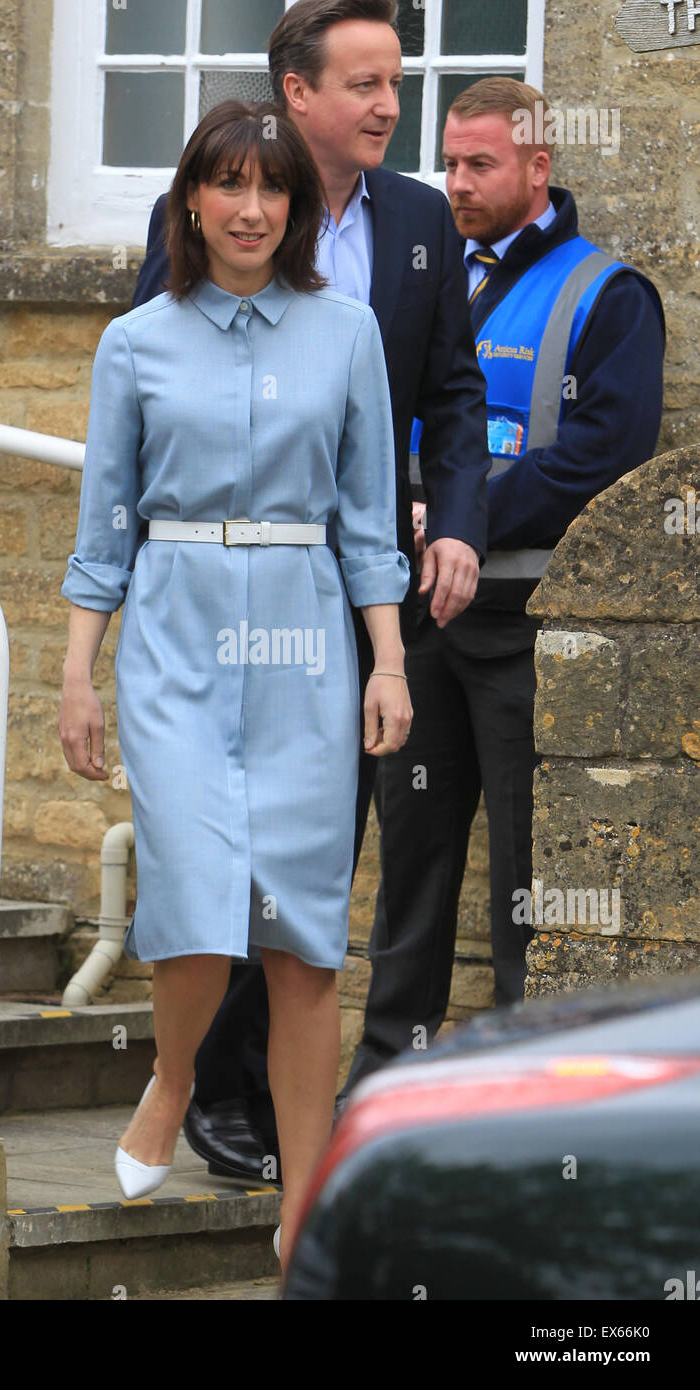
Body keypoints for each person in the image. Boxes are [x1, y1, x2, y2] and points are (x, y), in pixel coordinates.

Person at [132, 0, 490, 1184]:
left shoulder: (425, 222)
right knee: (216, 849)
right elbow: (158, 382)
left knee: (316, 858)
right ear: (298, 91)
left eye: (397, 83)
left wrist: (462, 529)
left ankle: (306, 1105)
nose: (393, 106)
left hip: (365, 591)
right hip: (227, 589)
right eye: (368, 85)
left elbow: (451, 398)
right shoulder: (197, 215)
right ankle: (210, 1091)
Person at [58, 100, 411, 1274]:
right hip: (175, 630)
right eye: (228, 185)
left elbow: (367, 519)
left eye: (272, 189)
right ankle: (170, 1080)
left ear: (297, 207)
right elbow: (105, 524)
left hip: (310, 636)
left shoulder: (347, 329)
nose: (252, 209)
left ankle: (304, 1213)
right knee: (198, 892)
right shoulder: (137, 342)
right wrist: (76, 673)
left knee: (305, 937)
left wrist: (390, 661)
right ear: (193, 201)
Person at [343, 76, 666, 1092]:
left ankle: (523, 1103)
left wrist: (465, 520)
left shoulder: (607, 294)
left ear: (540, 165)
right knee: (411, 871)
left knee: (529, 884)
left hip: (532, 628)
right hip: (419, 624)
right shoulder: (426, 274)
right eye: (447, 161)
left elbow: (606, 456)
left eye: (479, 163)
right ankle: (387, 1086)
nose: (456, 182)